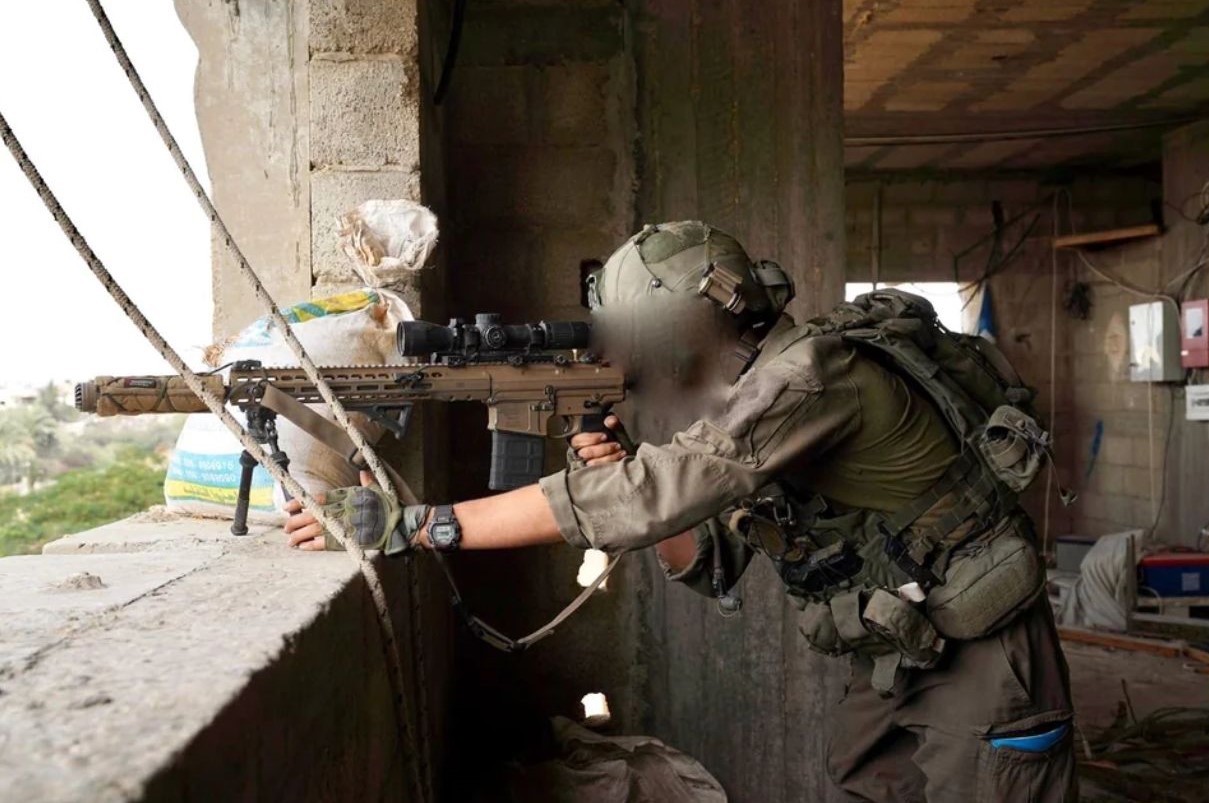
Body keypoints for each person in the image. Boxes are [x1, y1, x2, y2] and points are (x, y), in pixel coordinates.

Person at [284, 221, 1076, 801]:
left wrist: (413, 524)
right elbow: (707, 562)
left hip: (982, 653)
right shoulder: (749, 401)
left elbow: (648, 496)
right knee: (862, 782)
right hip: (900, 649)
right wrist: (621, 467)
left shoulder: (809, 377)